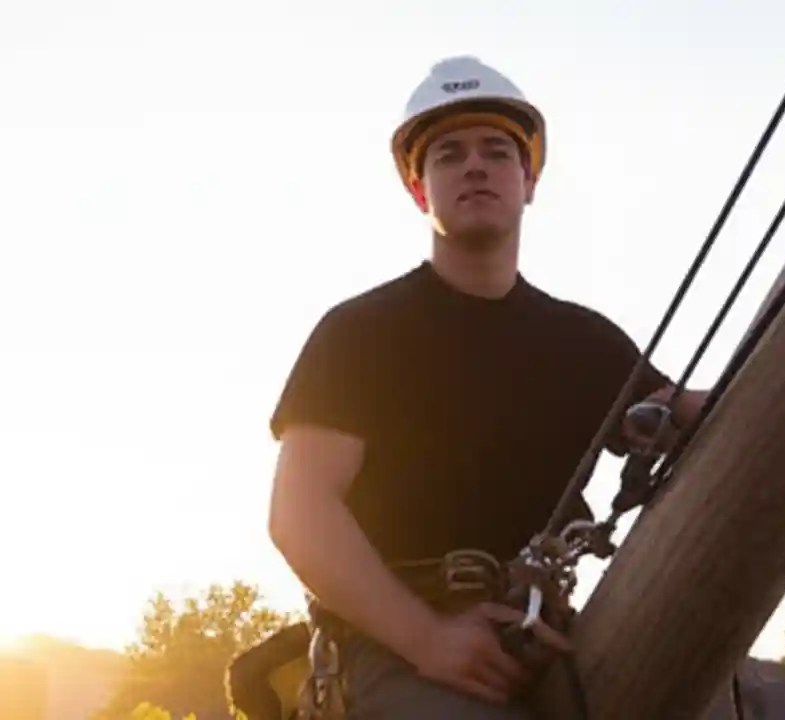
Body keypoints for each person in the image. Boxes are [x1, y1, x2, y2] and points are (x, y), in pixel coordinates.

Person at [265, 56, 708, 719]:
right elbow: (299, 515)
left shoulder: (586, 344)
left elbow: (691, 415)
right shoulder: (359, 333)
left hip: (548, 638)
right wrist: (427, 640)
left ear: (528, 182)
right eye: (448, 155)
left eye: (497, 152)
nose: (475, 165)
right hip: (395, 650)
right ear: (421, 192)